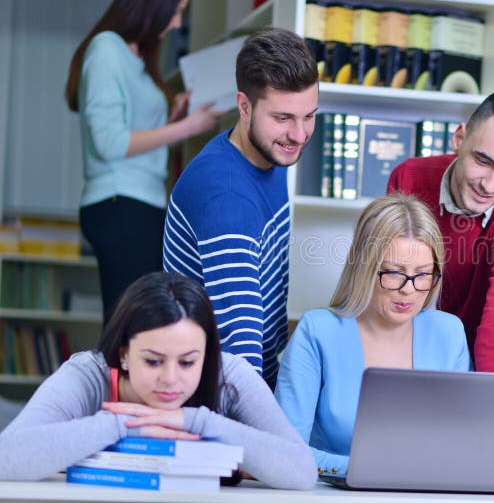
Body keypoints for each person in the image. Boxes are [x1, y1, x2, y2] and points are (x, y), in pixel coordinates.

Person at [0, 272, 316, 489]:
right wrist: (124, 424)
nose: (170, 379)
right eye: (153, 361)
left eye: (188, 362)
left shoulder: (230, 373)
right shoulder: (87, 374)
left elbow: (301, 471)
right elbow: (7, 458)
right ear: (123, 353)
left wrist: (195, 422)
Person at [162, 27, 319, 389]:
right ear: (244, 106)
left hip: (249, 375)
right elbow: (240, 347)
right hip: (213, 389)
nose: (298, 135)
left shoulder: (266, 153)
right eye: (282, 118)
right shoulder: (227, 199)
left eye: (308, 116)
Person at [65, 0, 225, 322]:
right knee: (129, 324)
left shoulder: (137, 57)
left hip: (143, 203)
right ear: (152, 5)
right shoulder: (106, 51)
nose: (176, 22)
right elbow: (110, 143)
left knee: (143, 321)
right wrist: (185, 128)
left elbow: (135, 133)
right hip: (119, 203)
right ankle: (112, 379)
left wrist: (174, 115)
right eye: (175, 11)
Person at [275, 194, 470, 476]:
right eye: (393, 272)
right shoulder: (317, 332)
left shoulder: (448, 333)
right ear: (364, 267)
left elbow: (460, 444)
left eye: (423, 274)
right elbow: (287, 450)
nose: (409, 289)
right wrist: (371, 469)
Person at [388, 88, 494, 373]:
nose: (490, 186)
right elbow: (390, 286)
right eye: (483, 161)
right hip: (423, 351)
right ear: (459, 138)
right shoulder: (408, 178)